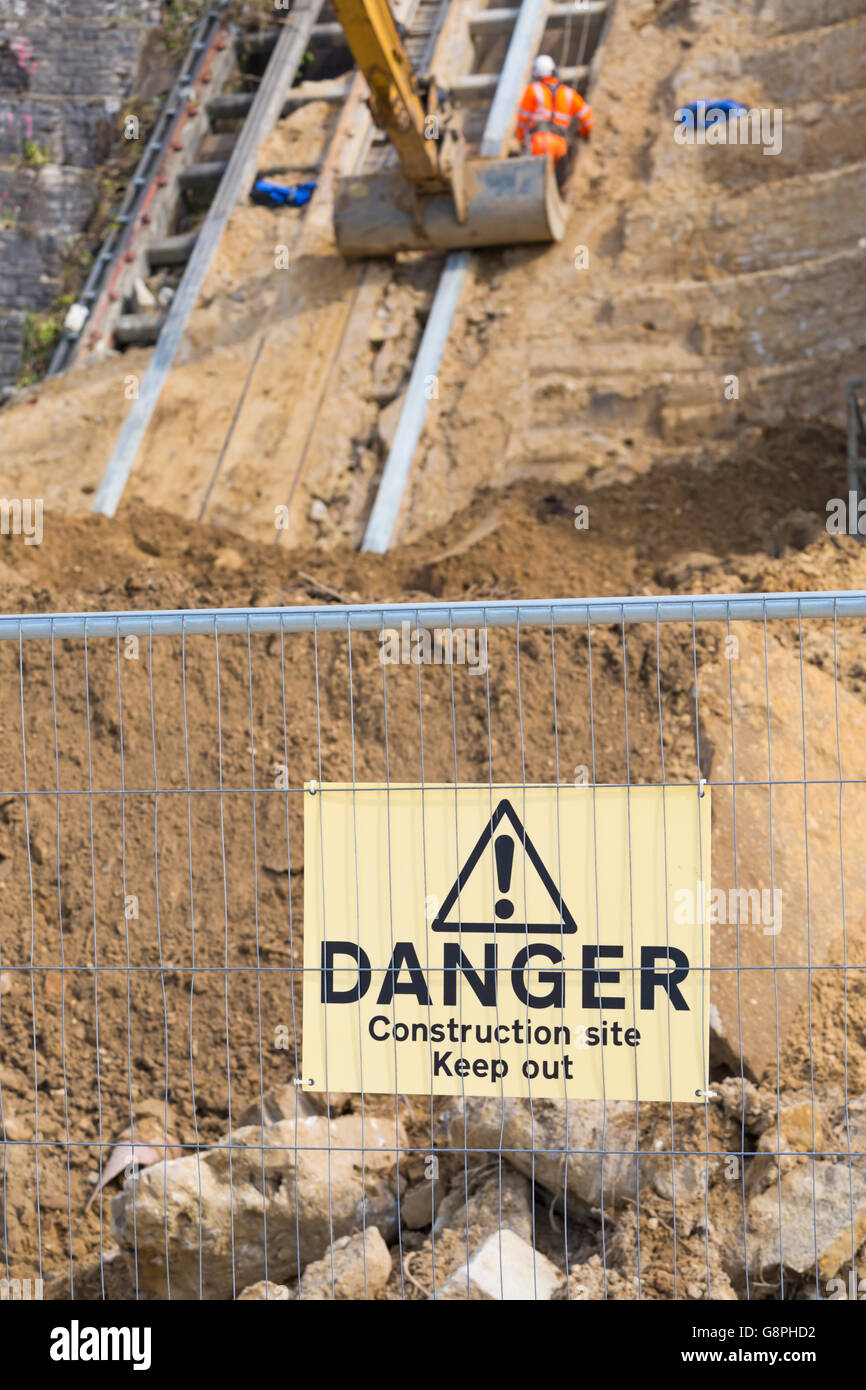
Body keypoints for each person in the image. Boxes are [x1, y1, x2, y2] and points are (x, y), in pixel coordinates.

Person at [516, 54, 593, 188]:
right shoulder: (569, 93)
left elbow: (522, 120)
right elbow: (586, 117)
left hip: (538, 143)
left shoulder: (533, 90)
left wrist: (521, 139)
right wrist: (584, 133)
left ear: (536, 73)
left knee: (532, 180)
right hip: (559, 146)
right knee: (554, 177)